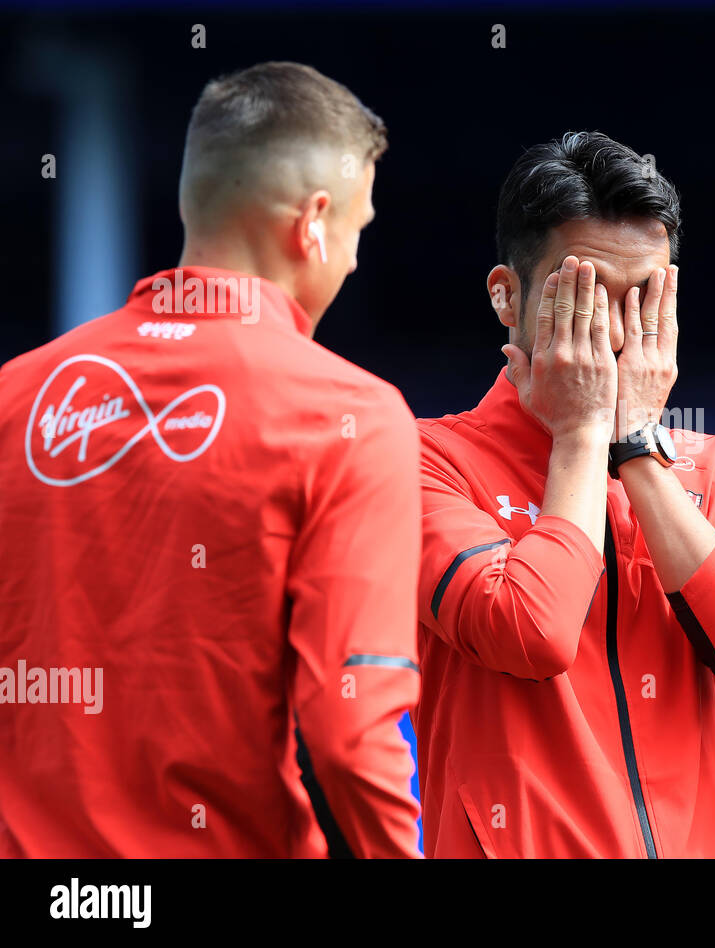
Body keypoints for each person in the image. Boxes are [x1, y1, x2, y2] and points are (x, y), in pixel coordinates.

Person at [0, 62, 422, 857]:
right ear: (314, 224)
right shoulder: (354, 417)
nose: (357, 261)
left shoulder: (12, 398)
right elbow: (350, 729)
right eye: (360, 232)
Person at [414, 131, 715, 857]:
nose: (622, 334)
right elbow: (531, 633)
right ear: (506, 293)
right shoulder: (422, 460)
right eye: (588, 295)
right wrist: (582, 436)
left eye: (646, 297)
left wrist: (636, 452)